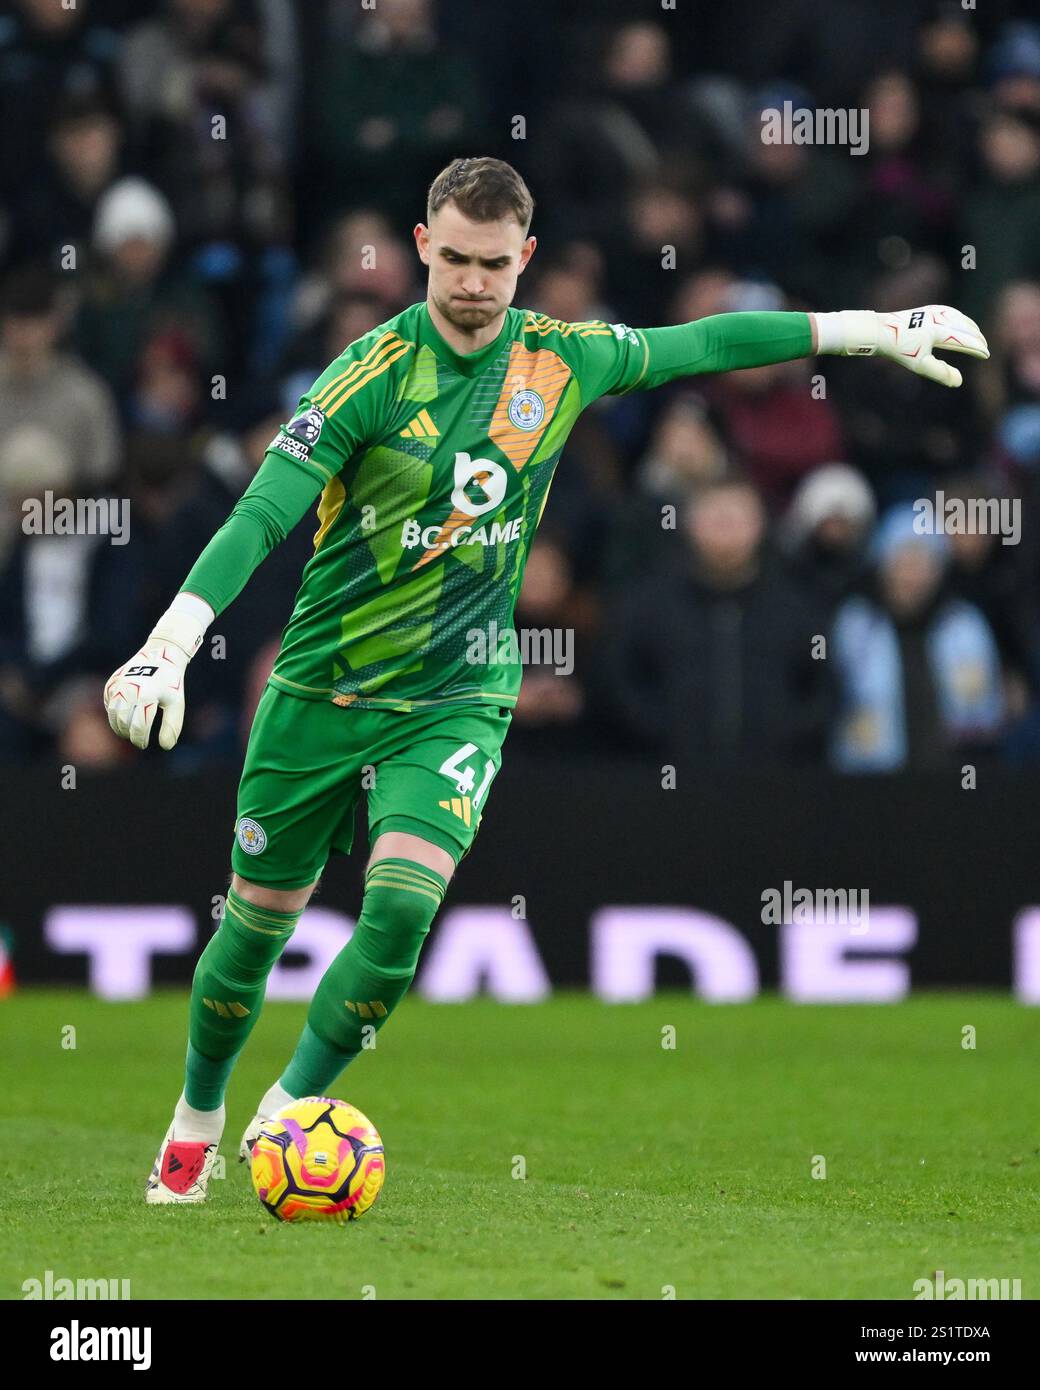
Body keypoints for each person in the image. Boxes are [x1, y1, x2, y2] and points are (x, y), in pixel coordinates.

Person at [101, 156, 990, 1204]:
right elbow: (261, 513)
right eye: (454, 260)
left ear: (523, 261)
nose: (472, 284)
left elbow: (699, 344)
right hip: (320, 689)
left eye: (493, 264)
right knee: (251, 932)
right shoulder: (366, 374)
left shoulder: (562, 360)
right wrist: (171, 640)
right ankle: (195, 1116)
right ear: (421, 247)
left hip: (457, 694)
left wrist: (867, 331)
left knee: (394, 919)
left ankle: (283, 1109)